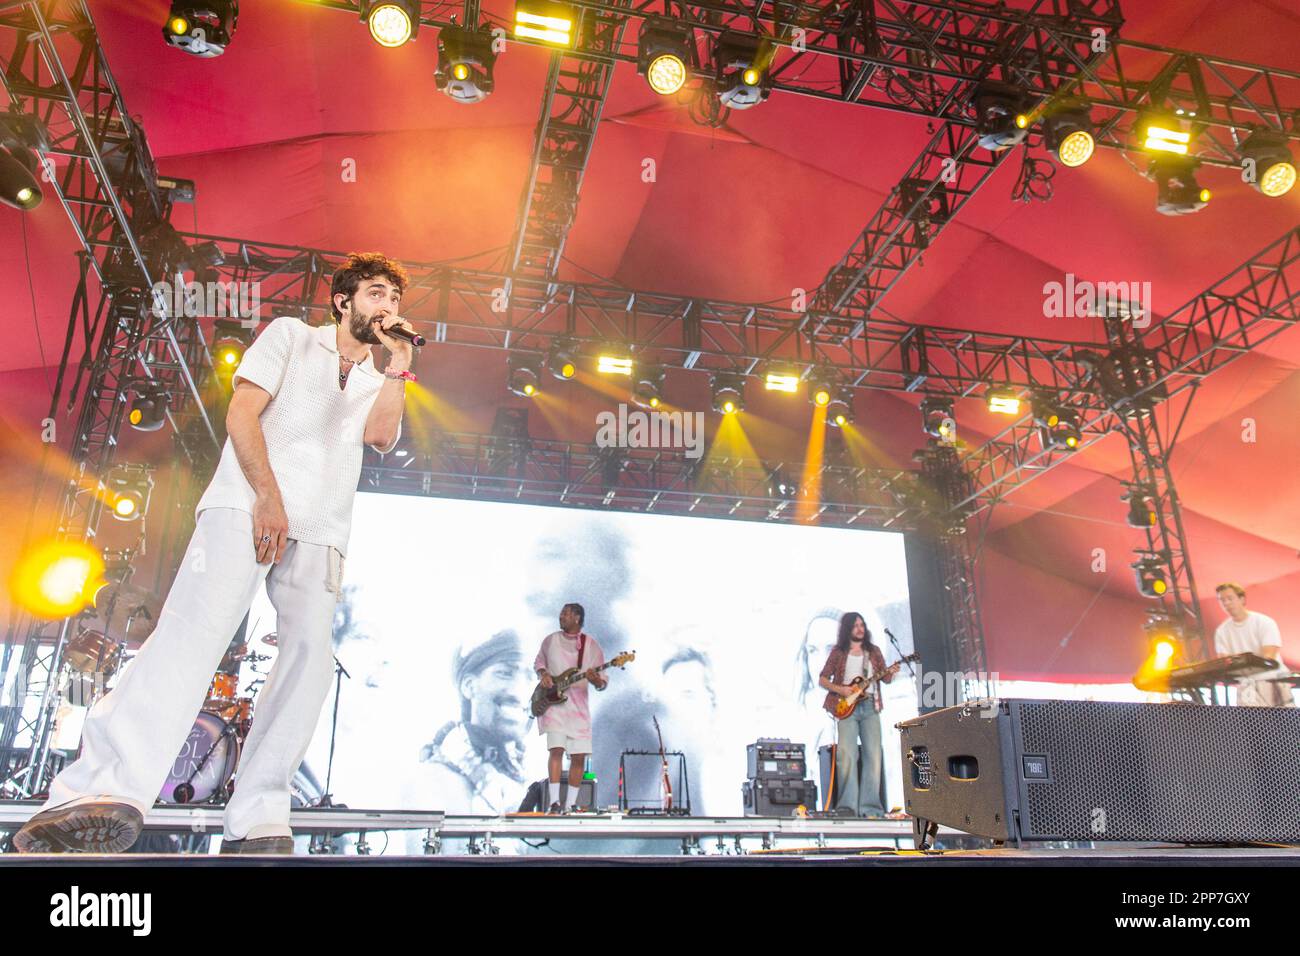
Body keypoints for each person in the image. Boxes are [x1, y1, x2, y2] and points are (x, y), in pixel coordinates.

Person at [15, 252, 416, 854]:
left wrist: (400, 363)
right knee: (193, 637)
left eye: (395, 299)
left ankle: (257, 816)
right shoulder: (290, 336)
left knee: (309, 662)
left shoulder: (377, 376)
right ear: (344, 301)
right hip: (247, 503)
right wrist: (267, 497)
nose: (389, 307)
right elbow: (242, 414)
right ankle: (98, 788)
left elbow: (381, 436)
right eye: (378, 294)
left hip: (324, 528)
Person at [419, 630, 534, 813]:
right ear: (469, 686)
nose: (520, 691)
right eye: (504, 673)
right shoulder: (433, 781)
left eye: (531, 677)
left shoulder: (532, 777)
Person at [817, 612, 900, 817]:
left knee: (873, 755)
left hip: (871, 706)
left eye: (862, 624)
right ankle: (847, 807)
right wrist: (841, 689)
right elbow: (823, 679)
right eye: (855, 625)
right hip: (847, 708)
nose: (860, 628)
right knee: (847, 756)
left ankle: (870, 808)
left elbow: (886, 679)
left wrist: (893, 672)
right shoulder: (838, 652)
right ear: (847, 629)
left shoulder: (873, 652)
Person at [533, 603, 607, 813]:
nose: (561, 616)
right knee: (556, 750)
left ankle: (571, 804)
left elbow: (602, 683)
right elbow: (539, 663)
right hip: (555, 707)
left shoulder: (591, 646)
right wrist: (544, 675)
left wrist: (595, 680)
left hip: (579, 710)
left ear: (577, 618)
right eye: (561, 613)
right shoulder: (550, 641)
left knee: (579, 757)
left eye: (565, 613)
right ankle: (554, 802)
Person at [1213, 583, 1293, 707]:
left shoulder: (1264, 622)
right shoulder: (1222, 631)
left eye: (1230, 598)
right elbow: (1224, 661)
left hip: (1272, 680)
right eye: (1222, 600)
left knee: (1282, 723)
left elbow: (1269, 657)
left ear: (1242, 599)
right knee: (1248, 724)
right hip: (1245, 683)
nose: (1226, 603)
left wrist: (1242, 662)